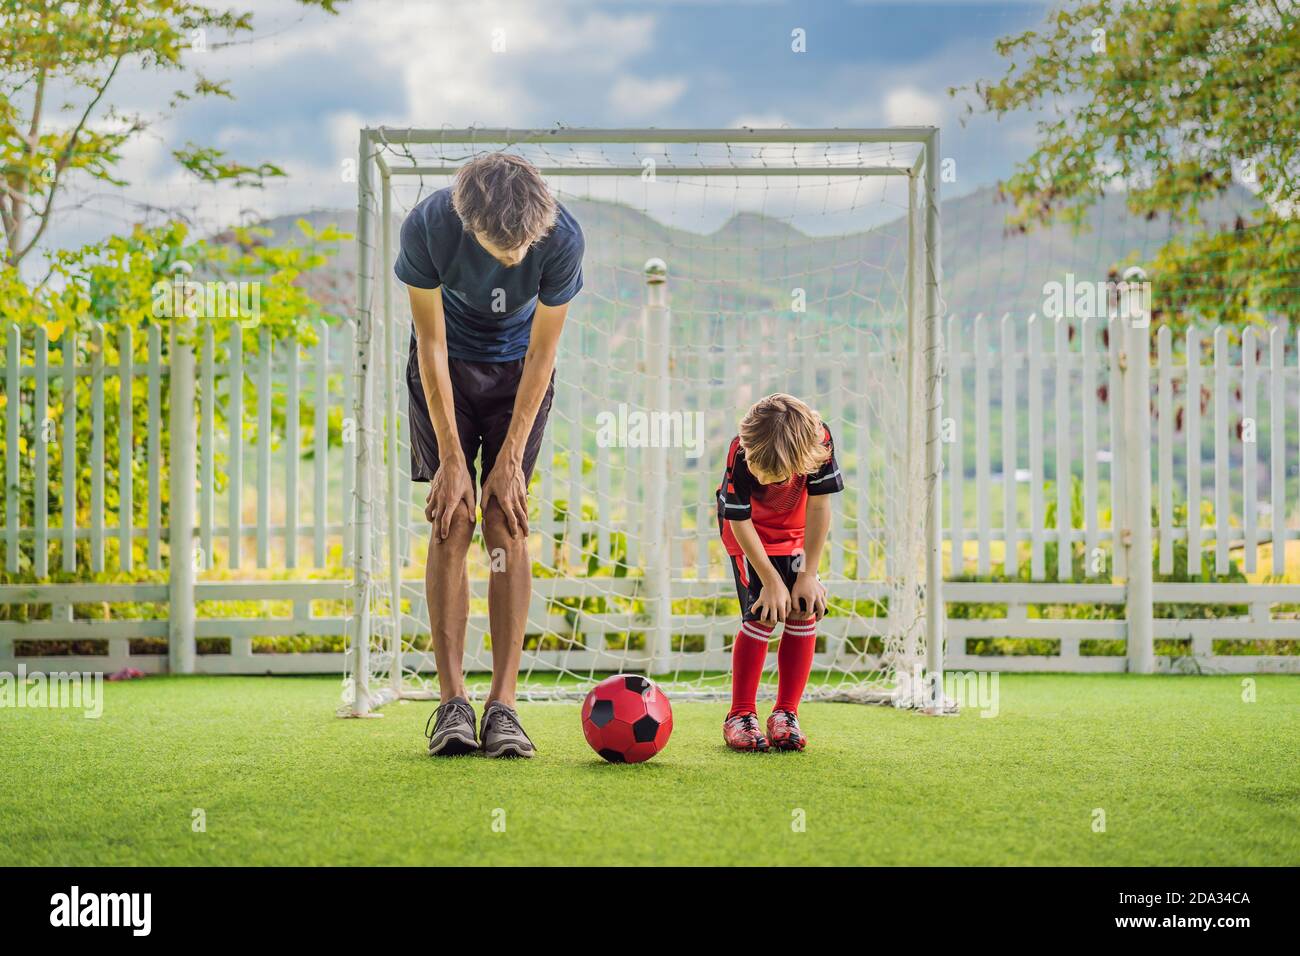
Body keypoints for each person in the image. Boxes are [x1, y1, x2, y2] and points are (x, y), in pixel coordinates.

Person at [394, 153, 584, 758]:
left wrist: (509, 459)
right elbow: (429, 341)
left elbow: (544, 353)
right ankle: (452, 704)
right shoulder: (427, 226)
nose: (515, 256)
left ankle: (504, 707)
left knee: (506, 519)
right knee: (451, 518)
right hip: (444, 369)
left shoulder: (562, 237)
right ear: (465, 218)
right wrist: (452, 459)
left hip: (519, 376)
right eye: (502, 247)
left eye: (524, 246)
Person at [716, 393, 843, 751]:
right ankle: (739, 715)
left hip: (795, 536)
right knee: (764, 614)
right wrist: (771, 580)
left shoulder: (817, 442)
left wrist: (809, 575)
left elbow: (819, 505)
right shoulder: (741, 451)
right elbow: (738, 519)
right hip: (749, 536)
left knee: (804, 609)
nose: (763, 478)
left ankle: (785, 713)